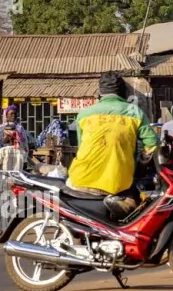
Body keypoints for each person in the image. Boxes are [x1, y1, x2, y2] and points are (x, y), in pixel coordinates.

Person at [66, 73, 159, 218]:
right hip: (117, 185)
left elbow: (81, 145)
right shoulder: (135, 113)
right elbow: (153, 146)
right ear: (123, 92)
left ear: (100, 93)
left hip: (79, 179)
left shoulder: (84, 114)